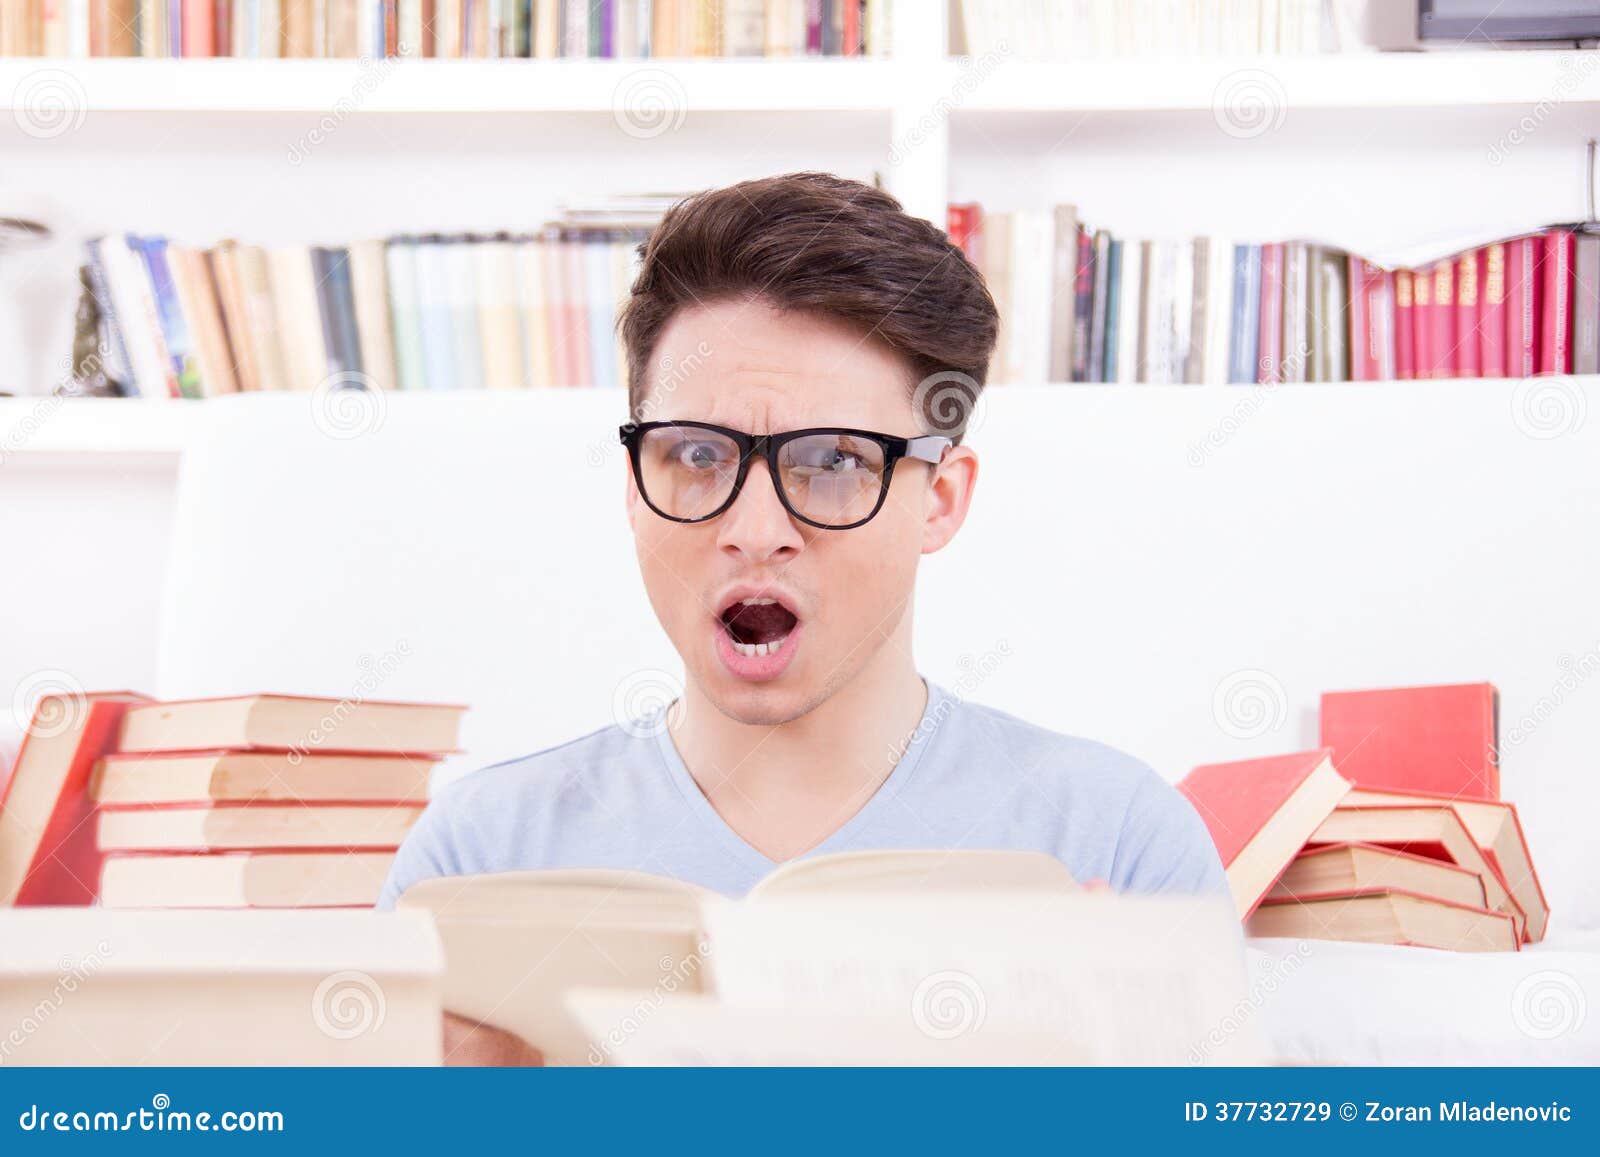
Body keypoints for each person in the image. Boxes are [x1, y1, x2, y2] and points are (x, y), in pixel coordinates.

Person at [376, 172, 1228, 1064]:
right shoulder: (475, 859)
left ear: (939, 499)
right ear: (634, 487)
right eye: (697, 456)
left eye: (832, 461)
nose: (755, 531)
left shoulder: (1118, 841)